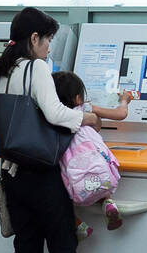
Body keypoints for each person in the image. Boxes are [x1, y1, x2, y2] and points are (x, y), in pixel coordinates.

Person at [0, 8, 103, 253]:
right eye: (48, 40)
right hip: (42, 174)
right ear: (34, 38)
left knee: (25, 247)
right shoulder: (36, 67)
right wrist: (87, 118)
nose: (50, 48)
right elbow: (55, 113)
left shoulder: (5, 70)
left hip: (11, 173)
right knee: (62, 248)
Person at [53, 70, 130, 236]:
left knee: (63, 190)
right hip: (96, 161)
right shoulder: (86, 107)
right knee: (98, 171)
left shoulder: (54, 114)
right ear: (78, 98)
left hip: (69, 160)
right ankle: (107, 202)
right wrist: (124, 100)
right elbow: (120, 114)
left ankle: (77, 225)